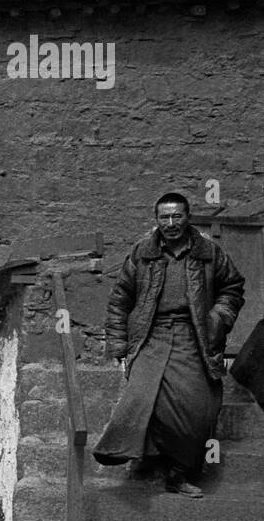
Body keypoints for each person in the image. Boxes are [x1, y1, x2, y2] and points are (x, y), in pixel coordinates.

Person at [95, 192, 246, 498]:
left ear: (188, 217)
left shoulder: (208, 251)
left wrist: (218, 318)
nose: (171, 223)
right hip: (152, 335)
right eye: (164, 217)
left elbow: (232, 287)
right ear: (156, 221)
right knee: (139, 397)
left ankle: (178, 473)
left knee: (199, 406)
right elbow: (120, 299)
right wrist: (118, 344)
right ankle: (124, 452)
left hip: (194, 337)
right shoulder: (143, 252)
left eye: (177, 216)